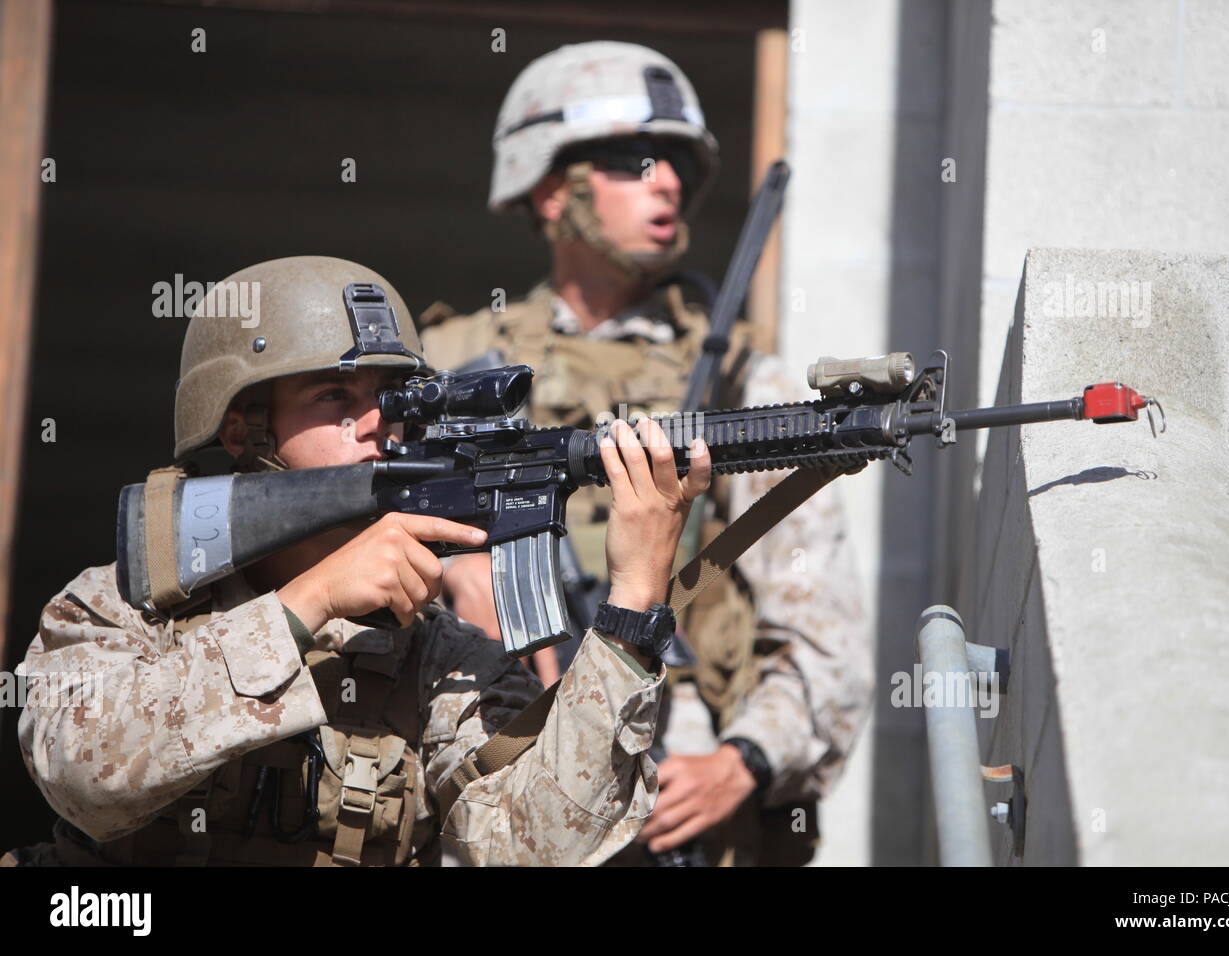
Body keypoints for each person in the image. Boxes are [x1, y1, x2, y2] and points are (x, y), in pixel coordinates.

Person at [4, 255, 710, 867]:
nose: (377, 423)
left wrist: (633, 604)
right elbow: (83, 778)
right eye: (336, 396)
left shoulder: (433, 652)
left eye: (391, 398)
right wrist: (305, 606)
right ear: (242, 426)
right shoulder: (119, 606)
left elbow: (540, 846)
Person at [424, 41, 869, 865]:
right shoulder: (451, 373)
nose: (666, 179)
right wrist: (452, 581)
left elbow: (825, 639)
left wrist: (743, 764)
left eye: (675, 163)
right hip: (490, 766)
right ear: (550, 187)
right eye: (635, 159)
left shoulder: (741, 381)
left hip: (674, 783)